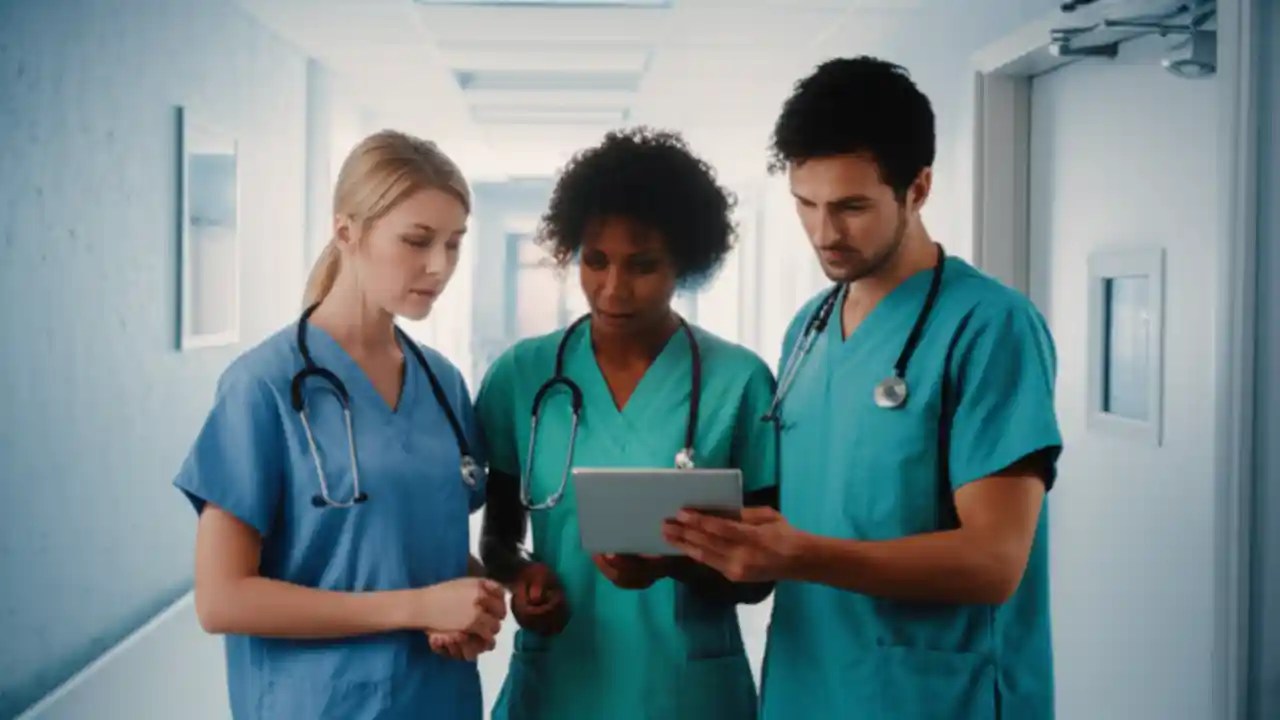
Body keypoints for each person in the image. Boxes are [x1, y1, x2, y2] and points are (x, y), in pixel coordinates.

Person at [664, 57, 1064, 719]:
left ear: (918, 188)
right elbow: (822, 512)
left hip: (932, 697)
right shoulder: (809, 330)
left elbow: (994, 561)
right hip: (806, 687)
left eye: (851, 207)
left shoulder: (990, 326)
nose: (824, 233)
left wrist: (803, 555)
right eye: (806, 204)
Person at [173, 129, 507, 719]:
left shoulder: (442, 383)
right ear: (347, 232)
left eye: (454, 244)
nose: (439, 266)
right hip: (318, 703)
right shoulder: (264, 386)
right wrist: (417, 607)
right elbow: (222, 600)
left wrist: (474, 603)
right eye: (417, 241)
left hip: (437, 699)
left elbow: (407, 546)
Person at [475, 127, 779, 720]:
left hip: (686, 692)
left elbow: (761, 576)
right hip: (560, 684)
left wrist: (673, 565)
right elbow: (498, 538)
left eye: (643, 265)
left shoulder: (739, 382)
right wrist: (523, 578)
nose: (613, 289)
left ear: (684, 263)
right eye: (595, 261)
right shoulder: (523, 375)